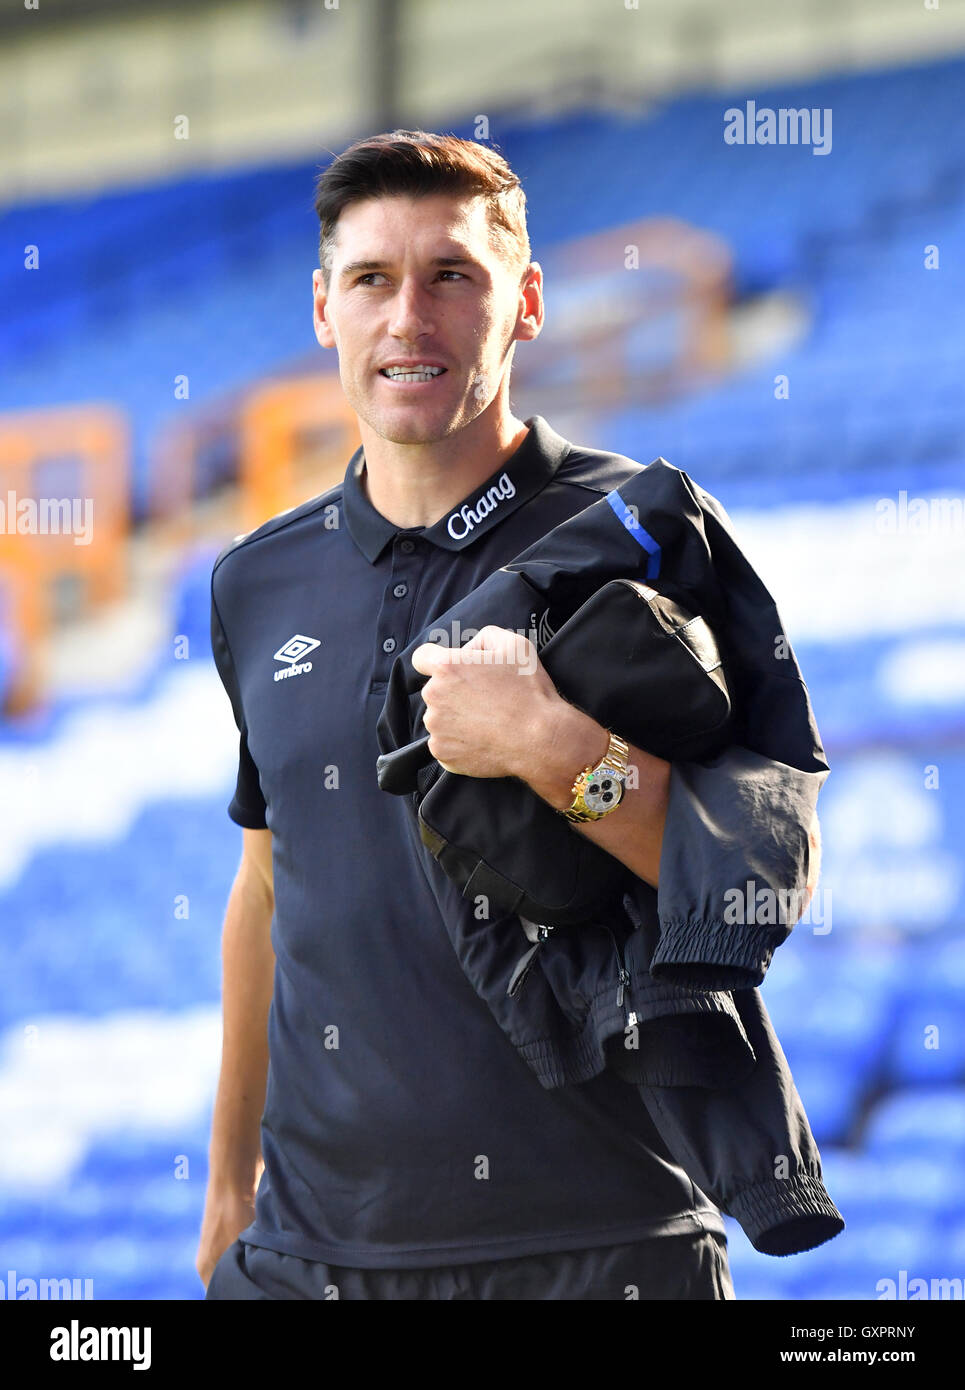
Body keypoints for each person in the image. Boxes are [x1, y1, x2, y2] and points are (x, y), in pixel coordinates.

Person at [198, 129, 817, 1301]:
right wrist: (229, 1190)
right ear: (323, 308)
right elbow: (267, 886)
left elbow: (750, 888)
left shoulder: (642, 537)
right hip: (307, 1261)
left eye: (453, 276)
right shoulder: (253, 580)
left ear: (525, 302)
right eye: (371, 279)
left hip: (600, 1251)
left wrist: (552, 748)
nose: (407, 318)